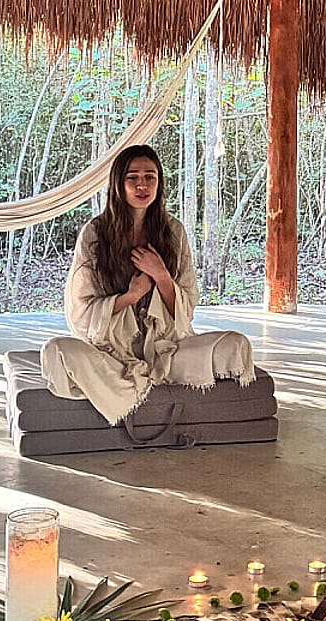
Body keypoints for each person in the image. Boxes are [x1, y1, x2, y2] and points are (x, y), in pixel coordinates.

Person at [41, 144, 254, 425]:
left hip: (168, 349)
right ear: (119, 183)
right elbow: (81, 311)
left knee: (236, 345)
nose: (142, 185)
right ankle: (133, 388)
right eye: (133, 177)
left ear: (159, 182)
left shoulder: (173, 231)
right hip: (113, 352)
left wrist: (162, 276)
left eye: (149, 177)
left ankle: (124, 388)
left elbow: (186, 309)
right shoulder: (94, 233)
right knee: (57, 351)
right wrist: (131, 296)